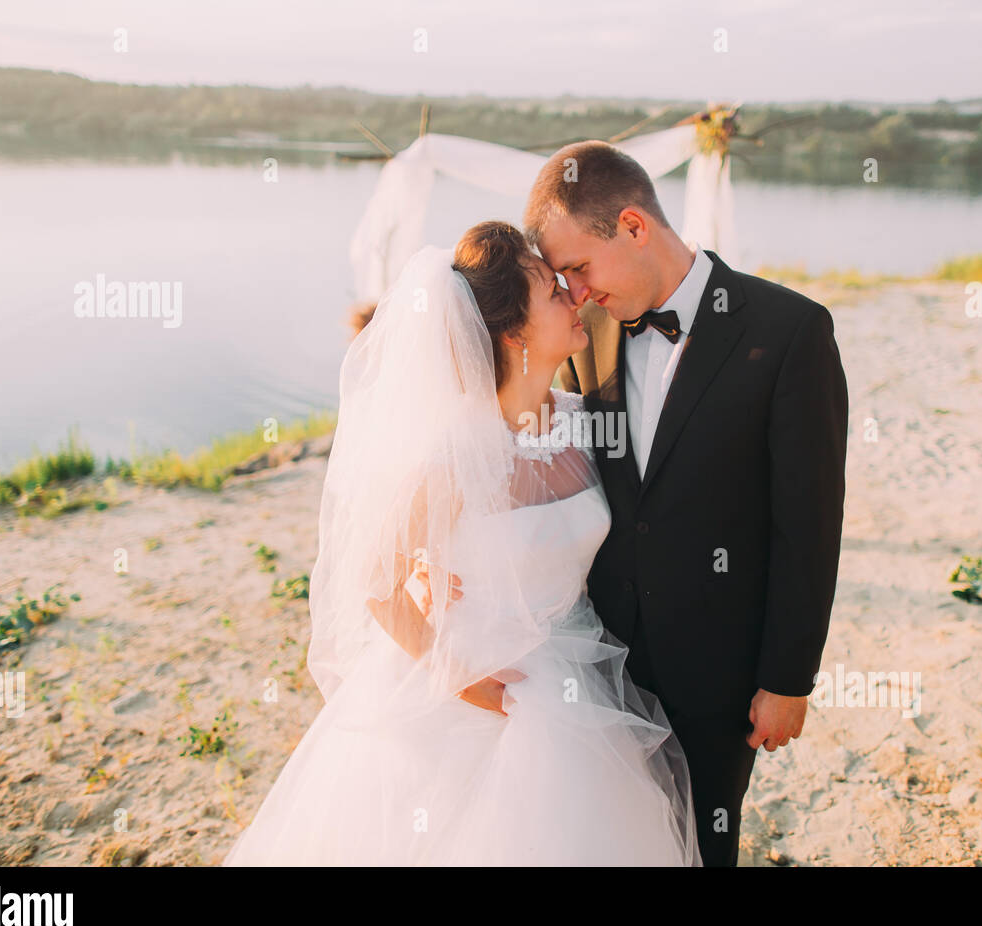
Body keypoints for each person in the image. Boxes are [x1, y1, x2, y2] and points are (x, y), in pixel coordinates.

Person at [223, 221, 699, 866]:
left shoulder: (588, 422)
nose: (573, 295)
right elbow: (379, 585)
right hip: (480, 677)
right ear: (512, 333)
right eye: (551, 290)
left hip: (581, 670)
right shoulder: (451, 454)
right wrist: (467, 681)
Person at [524, 140, 849, 866]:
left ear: (635, 227)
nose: (574, 290)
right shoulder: (587, 332)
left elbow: (810, 525)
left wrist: (787, 678)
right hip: (600, 661)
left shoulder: (791, 331)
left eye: (578, 268)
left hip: (719, 672)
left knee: (705, 845)